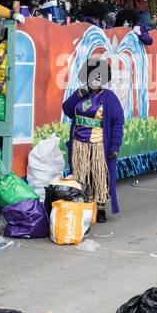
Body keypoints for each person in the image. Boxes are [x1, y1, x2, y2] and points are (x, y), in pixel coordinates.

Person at [63, 58, 124, 223]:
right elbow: (67, 110)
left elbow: (118, 122)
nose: (96, 79)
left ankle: (101, 208)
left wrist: (114, 146)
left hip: (98, 144)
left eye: (99, 76)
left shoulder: (109, 97)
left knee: (99, 175)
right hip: (79, 145)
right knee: (82, 175)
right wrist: (77, 95)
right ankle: (83, 205)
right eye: (93, 75)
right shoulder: (80, 94)